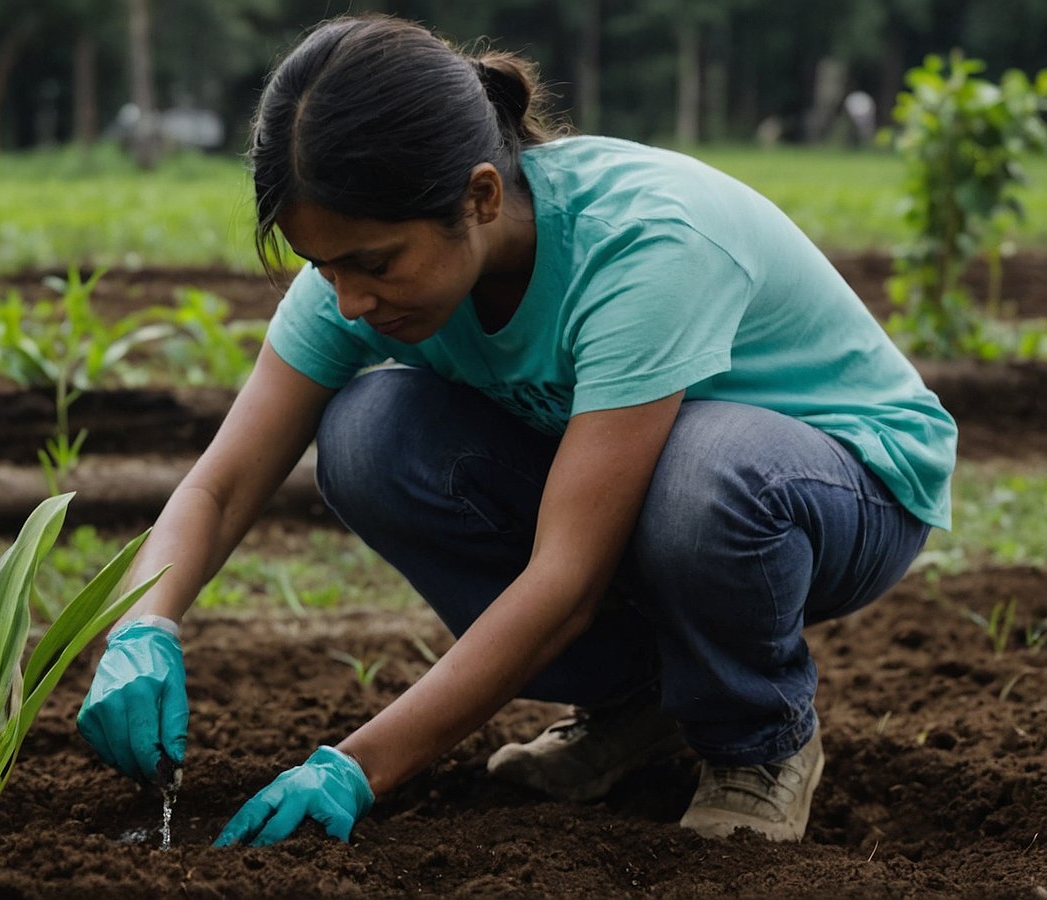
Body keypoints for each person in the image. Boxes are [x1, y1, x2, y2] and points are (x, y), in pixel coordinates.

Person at [76, 14, 956, 848]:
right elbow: (220, 485)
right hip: (650, 490)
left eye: (373, 264)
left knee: (706, 474)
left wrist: (355, 767)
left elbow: (566, 580)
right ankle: (636, 708)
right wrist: (142, 626)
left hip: (842, 485)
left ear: (481, 196)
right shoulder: (364, 275)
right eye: (322, 266)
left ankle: (759, 740)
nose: (348, 300)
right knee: (368, 432)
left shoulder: (643, 246)